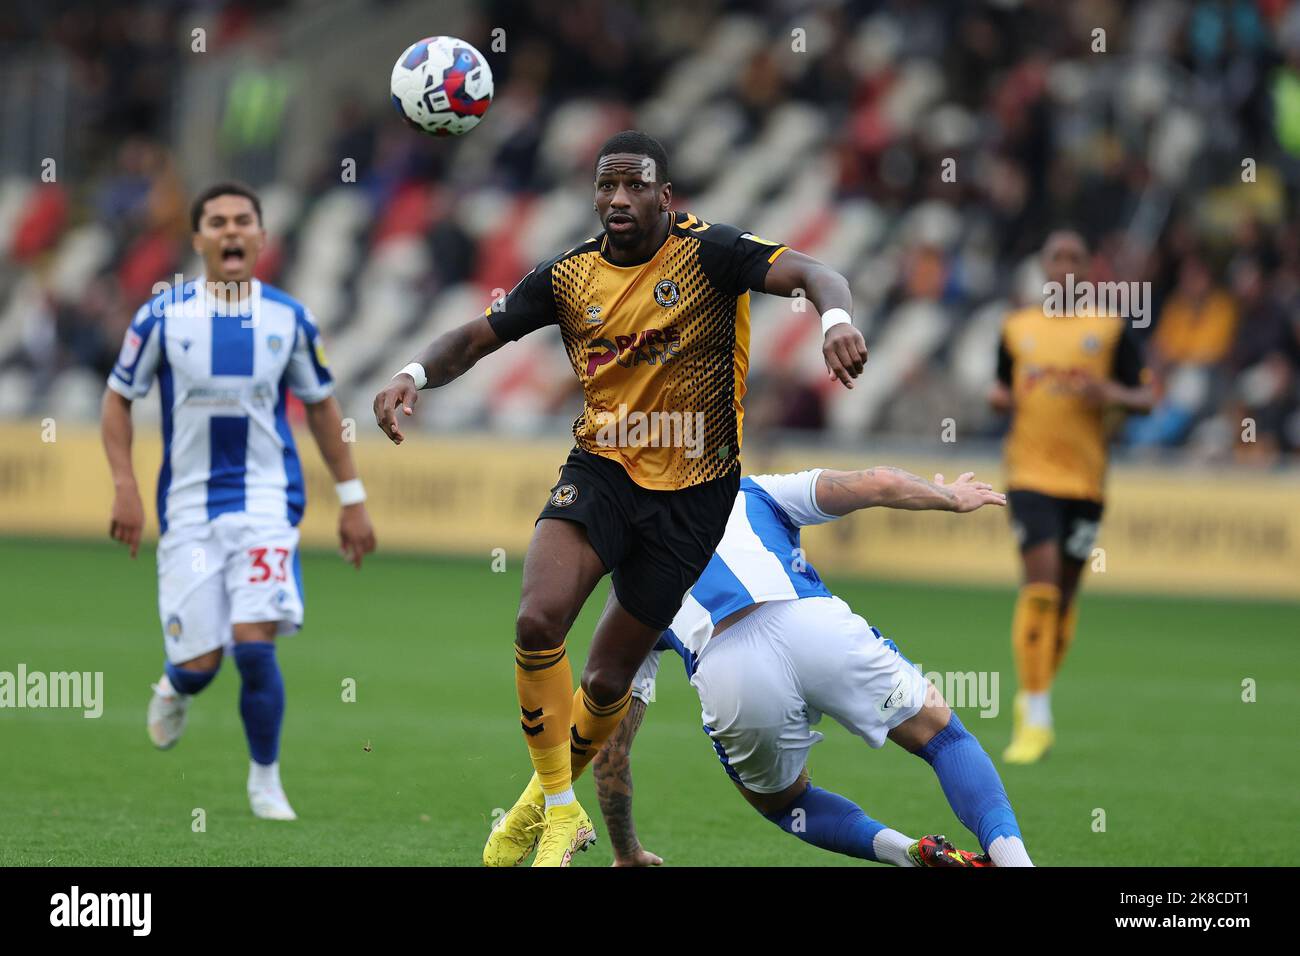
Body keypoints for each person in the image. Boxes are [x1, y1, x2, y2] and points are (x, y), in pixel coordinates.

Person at [372, 130, 869, 865]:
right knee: (539, 618)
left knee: (607, 678)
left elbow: (817, 271)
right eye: (606, 186)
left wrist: (836, 319)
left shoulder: (711, 254)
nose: (617, 199)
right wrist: (411, 372)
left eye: (634, 186)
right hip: (602, 469)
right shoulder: (571, 275)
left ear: (665, 198)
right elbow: (480, 336)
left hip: (695, 494)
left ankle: (534, 808)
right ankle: (564, 810)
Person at [586, 466, 1033, 867]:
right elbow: (875, 483)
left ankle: (908, 854)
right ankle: (1016, 862)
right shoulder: (751, 492)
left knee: (786, 805)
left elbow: (611, 751)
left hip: (732, 674)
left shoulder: (628, 593)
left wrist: (626, 852)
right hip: (814, 627)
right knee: (943, 737)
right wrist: (950, 496)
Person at [102, 181, 376, 819]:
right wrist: (124, 485)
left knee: (254, 648)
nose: (231, 231)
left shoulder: (290, 319)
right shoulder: (162, 317)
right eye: (217, 222)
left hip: (265, 506)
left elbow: (321, 408)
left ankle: (265, 779)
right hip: (189, 512)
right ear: (198, 238)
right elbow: (118, 398)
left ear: (260, 236)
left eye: (242, 221)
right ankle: (178, 683)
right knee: (201, 663)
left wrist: (353, 497)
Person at [989, 230, 1154, 763]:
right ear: (1042, 266)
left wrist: (1111, 394)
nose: (1064, 267)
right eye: (1055, 257)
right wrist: (999, 398)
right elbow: (1001, 388)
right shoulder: (1017, 328)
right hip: (1029, 476)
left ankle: (1037, 695)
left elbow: (1149, 395)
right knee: (1039, 586)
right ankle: (1034, 712)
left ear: (1087, 270)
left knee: (1064, 595)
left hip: (1086, 482)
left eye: (1074, 259)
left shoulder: (1108, 328)